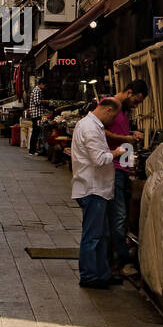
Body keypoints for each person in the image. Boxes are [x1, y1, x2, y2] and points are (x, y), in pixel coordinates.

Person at [72, 97, 127, 288]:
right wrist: (118, 152)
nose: (113, 122)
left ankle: (102, 274)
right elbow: (99, 159)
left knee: (101, 234)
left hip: (97, 188)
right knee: (93, 235)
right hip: (92, 188)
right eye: (114, 118)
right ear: (108, 110)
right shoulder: (90, 127)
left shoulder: (91, 125)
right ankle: (88, 276)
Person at [102, 79, 149, 277]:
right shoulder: (110, 104)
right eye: (136, 101)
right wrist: (125, 139)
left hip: (122, 168)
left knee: (119, 215)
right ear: (129, 92)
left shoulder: (124, 111)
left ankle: (115, 259)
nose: (136, 105)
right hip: (113, 167)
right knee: (119, 215)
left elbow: (116, 132)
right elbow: (100, 130)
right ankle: (119, 261)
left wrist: (131, 134)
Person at [26, 77, 47, 156]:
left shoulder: (38, 90)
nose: (45, 87)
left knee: (36, 132)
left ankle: (33, 149)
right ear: (41, 84)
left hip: (37, 114)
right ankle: (32, 150)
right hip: (36, 115)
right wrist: (45, 101)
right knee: (35, 132)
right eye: (44, 85)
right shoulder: (37, 90)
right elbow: (36, 102)